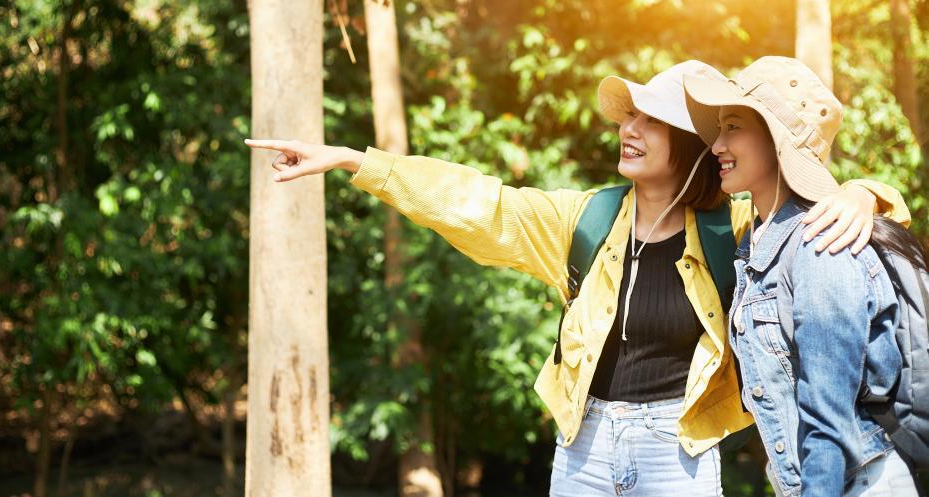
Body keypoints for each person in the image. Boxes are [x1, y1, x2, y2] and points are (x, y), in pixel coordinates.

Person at [246, 60, 908, 495]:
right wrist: (353, 160)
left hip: (674, 454)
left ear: (686, 143)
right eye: (627, 115)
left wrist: (860, 192)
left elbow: (827, 214)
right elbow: (477, 202)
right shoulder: (582, 218)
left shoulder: (730, 228)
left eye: (648, 119)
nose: (628, 127)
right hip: (584, 445)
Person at [684, 55, 922, 496]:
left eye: (733, 127)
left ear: (777, 141)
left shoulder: (818, 244)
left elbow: (828, 419)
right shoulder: (753, 242)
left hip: (857, 484)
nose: (716, 145)